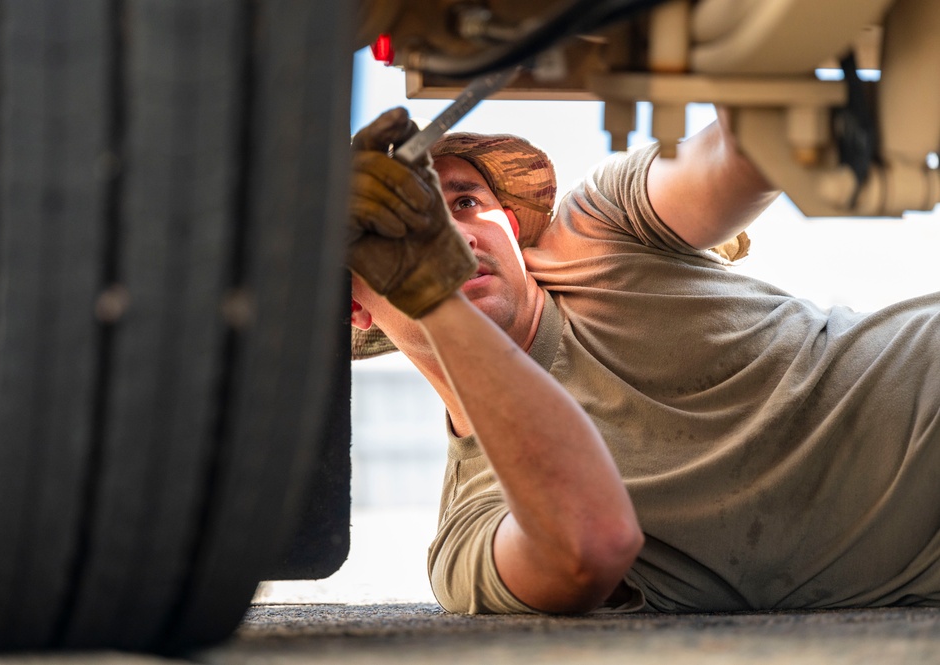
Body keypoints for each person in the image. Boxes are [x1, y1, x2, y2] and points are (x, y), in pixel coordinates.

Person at [347, 106, 940, 615]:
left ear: (511, 226)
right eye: (394, 231)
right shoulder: (472, 526)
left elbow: (753, 146)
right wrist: (434, 292)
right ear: (354, 306)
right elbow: (589, 548)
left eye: (465, 202)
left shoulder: (599, 230)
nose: (450, 235)